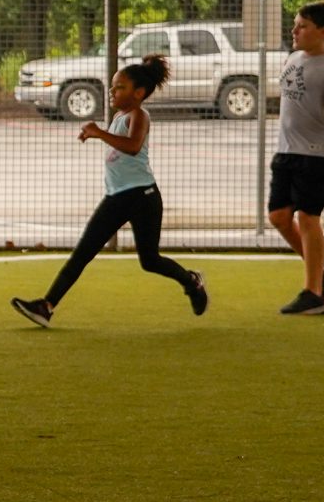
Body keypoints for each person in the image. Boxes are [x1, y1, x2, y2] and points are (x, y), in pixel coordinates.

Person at [11, 55, 208, 328]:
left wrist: (98, 133)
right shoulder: (119, 116)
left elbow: (132, 146)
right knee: (83, 252)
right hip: (117, 197)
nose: (113, 91)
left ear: (138, 93)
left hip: (143, 197)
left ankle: (191, 281)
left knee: (149, 261)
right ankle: (46, 306)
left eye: (120, 87)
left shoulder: (140, 115)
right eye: (113, 86)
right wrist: (98, 132)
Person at [269, 1, 324, 316]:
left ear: (323, 31)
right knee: (278, 217)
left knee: (307, 218)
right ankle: (323, 269)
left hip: (317, 156)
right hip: (286, 154)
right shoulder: (292, 58)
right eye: (295, 24)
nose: (294, 30)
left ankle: (314, 293)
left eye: (302, 26)